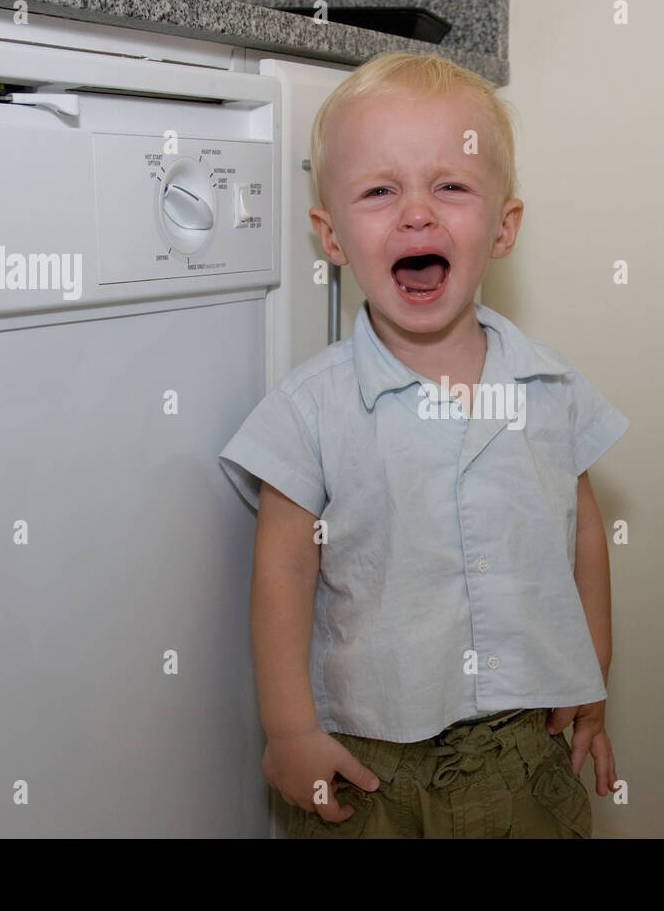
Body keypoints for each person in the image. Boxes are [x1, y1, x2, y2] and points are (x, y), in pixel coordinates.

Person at [218, 51, 629, 837]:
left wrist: (592, 676)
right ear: (331, 236)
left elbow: (583, 532)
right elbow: (283, 565)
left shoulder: (552, 390)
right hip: (369, 765)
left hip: (526, 751)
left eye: (450, 185)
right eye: (380, 190)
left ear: (503, 227)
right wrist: (290, 732)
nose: (417, 214)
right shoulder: (310, 410)